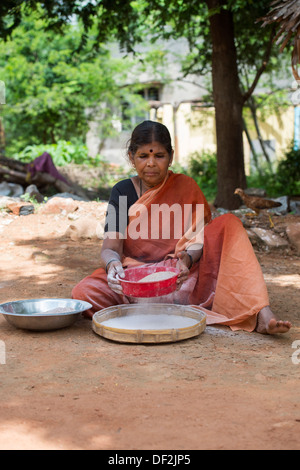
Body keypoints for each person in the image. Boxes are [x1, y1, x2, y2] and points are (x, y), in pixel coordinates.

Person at [72, 120, 292, 335]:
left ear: (171, 157)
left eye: (159, 156)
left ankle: (261, 312)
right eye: (143, 156)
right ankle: (153, 306)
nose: (151, 163)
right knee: (83, 293)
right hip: (135, 280)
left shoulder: (186, 187)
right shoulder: (121, 192)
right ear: (131, 157)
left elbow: (197, 240)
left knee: (229, 224)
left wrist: (186, 261)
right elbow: (110, 247)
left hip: (181, 279)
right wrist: (112, 266)